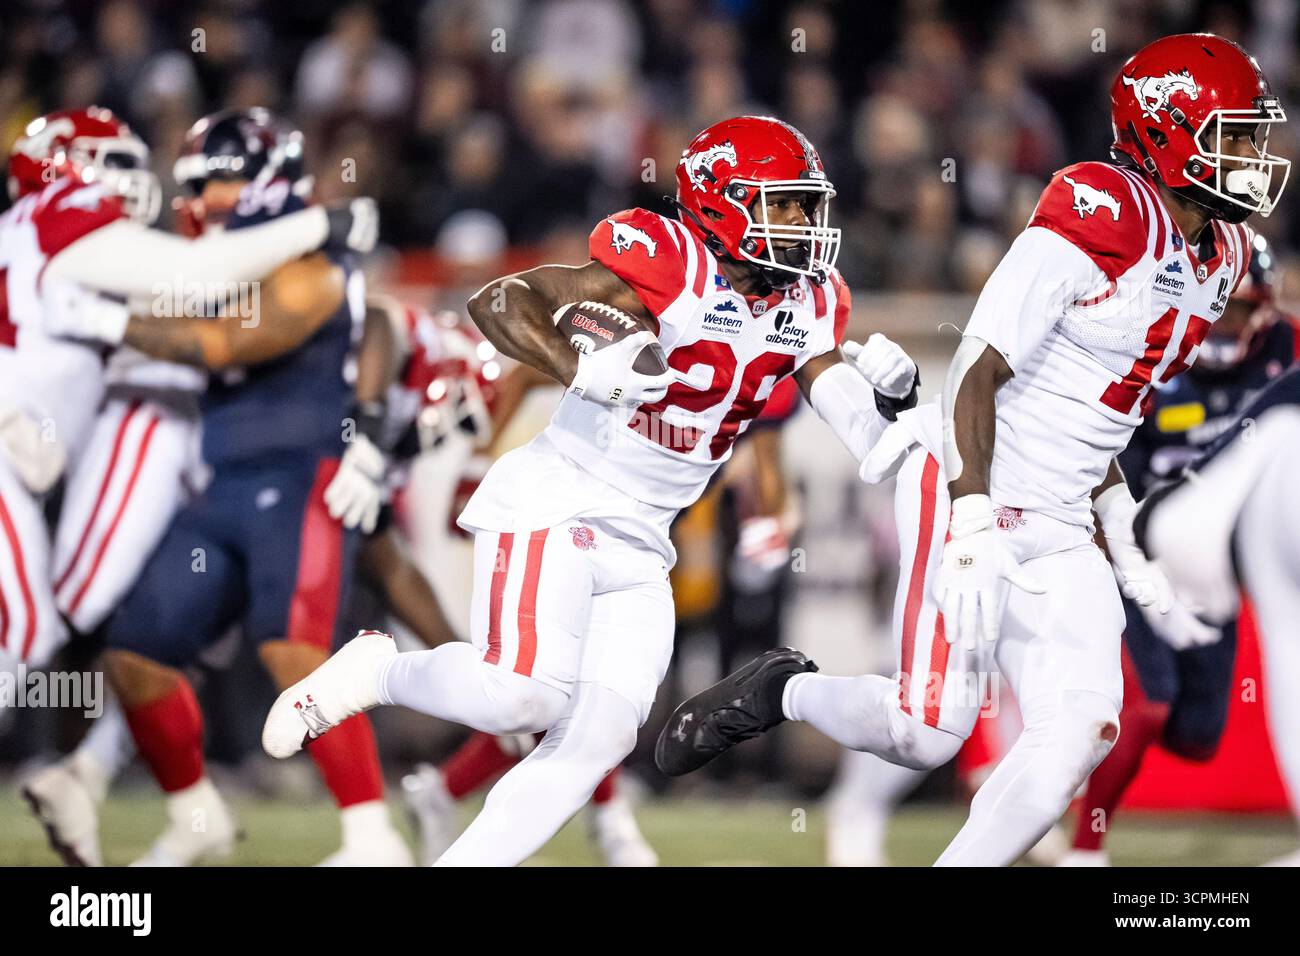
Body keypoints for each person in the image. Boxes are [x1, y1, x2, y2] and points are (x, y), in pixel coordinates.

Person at [654, 34, 1286, 866]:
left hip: (1063, 517)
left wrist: (1121, 536)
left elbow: (1102, 412)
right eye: (1232, 135)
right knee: (925, 734)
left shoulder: (1227, 254)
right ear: (1169, 130)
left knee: (1083, 728)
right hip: (969, 481)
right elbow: (976, 374)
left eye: (1252, 135)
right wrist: (975, 524)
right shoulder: (1103, 209)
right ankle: (785, 689)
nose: (1251, 156)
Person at [262, 114, 920, 866]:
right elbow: (498, 302)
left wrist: (894, 406)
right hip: (565, 493)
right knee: (523, 695)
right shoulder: (669, 259)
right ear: (718, 201)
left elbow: (857, 422)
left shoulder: (813, 298)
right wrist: (579, 368)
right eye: (783, 204)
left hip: (647, 535)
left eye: (807, 203)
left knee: (601, 736)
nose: (804, 223)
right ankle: (374, 669)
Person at [42, 108, 410, 866]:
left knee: (296, 657)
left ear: (264, 181)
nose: (202, 199)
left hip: (304, 475)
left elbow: (232, 339)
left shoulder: (307, 258)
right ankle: (194, 820)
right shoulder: (218, 258)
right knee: (136, 652)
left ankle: (373, 839)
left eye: (216, 182)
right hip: (222, 484)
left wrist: (107, 319)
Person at [1063, 236, 1298, 865]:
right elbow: (1101, 470)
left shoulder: (1286, 356)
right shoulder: (1154, 352)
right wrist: (1123, 557)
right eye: (1220, 309)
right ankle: (1084, 850)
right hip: (1144, 555)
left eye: (1242, 312)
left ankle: (1075, 752)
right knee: (1149, 703)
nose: (1227, 326)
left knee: (1197, 736)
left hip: (1212, 568)